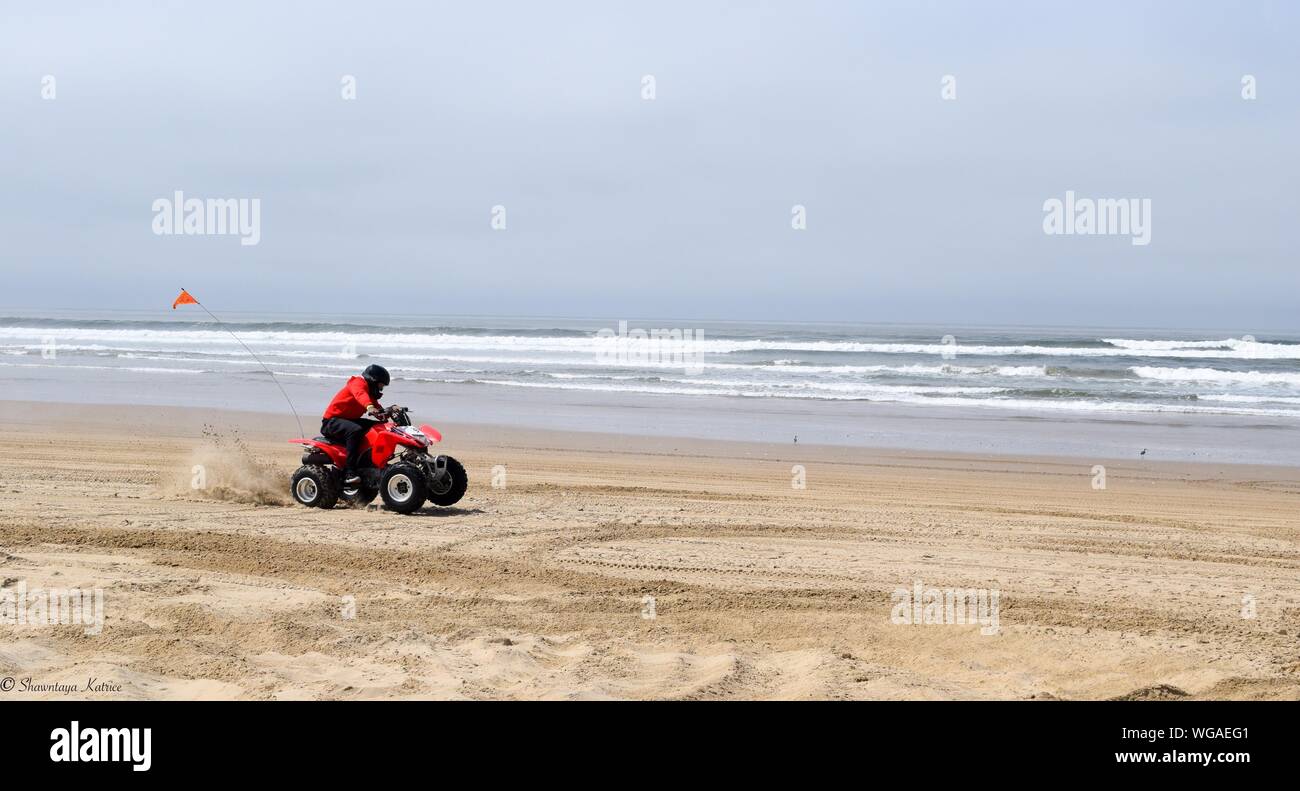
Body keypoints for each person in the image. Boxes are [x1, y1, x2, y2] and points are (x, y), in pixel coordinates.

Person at [321, 364, 390, 486]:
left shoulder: (369, 393)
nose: (381, 389)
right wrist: (370, 407)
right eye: (381, 385)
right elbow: (360, 395)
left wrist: (389, 413)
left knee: (379, 427)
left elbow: (378, 410)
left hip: (348, 420)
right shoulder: (358, 383)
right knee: (355, 430)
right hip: (331, 422)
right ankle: (349, 472)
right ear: (373, 380)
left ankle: (367, 463)